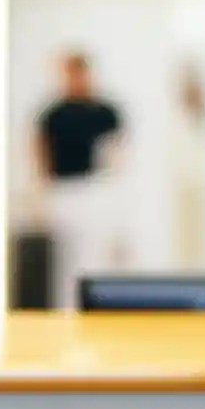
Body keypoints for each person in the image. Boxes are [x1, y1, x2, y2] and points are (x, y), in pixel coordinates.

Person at [35, 52, 125, 309]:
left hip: (94, 188)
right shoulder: (53, 114)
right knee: (66, 259)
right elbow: (40, 151)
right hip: (62, 189)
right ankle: (66, 309)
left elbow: (117, 151)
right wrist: (42, 189)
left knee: (97, 254)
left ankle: (96, 306)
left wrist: (113, 185)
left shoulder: (104, 111)